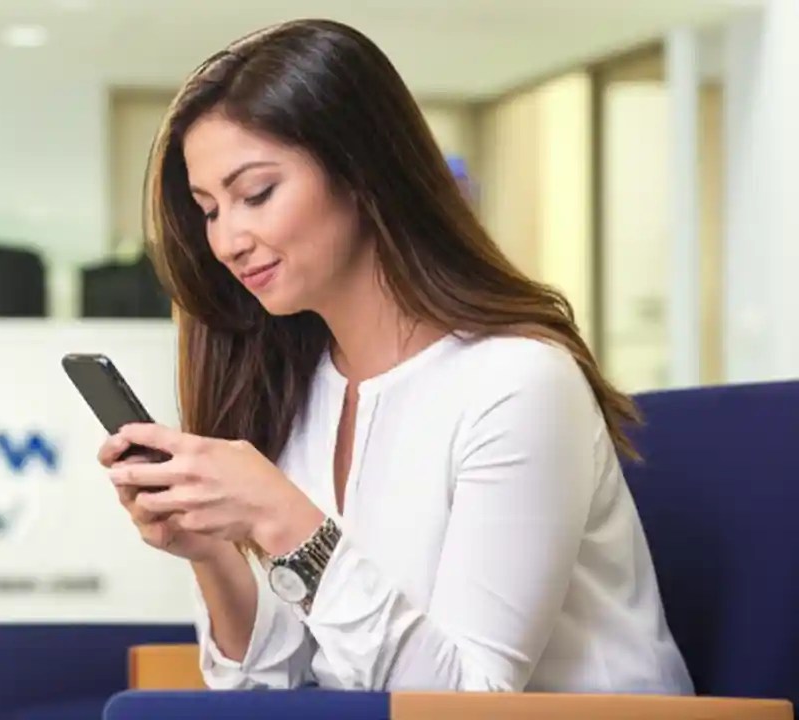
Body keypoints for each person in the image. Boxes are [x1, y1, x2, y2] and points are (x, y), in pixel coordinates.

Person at [97, 18, 693, 694]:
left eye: (256, 194)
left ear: (361, 174)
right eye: (208, 210)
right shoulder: (302, 390)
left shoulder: (519, 382)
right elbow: (270, 694)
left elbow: (468, 702)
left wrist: (286, 520)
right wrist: (212, 557)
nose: (228, 239)